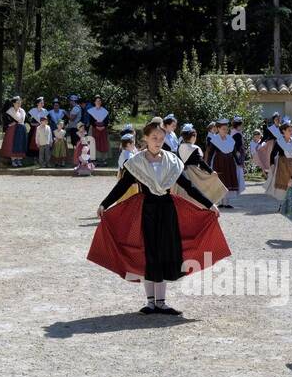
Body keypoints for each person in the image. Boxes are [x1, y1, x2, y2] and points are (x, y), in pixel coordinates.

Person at [91, 119, 225, 315]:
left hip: (167, 210)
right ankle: (150, 302)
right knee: (149, 253)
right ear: (145, 138)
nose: (158, 141)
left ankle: (161, 303)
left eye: (161, 138)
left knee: (165, 253)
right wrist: (105, 203)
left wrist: (209, 204)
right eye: (154, 138)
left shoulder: (172, 161)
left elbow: (189, 187)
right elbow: (122, 186)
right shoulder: (136, 162)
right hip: (147, 210)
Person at [175, 124, 228, 208]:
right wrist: (211, 171)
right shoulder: (193, 148)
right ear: (192, 137)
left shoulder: (180, 147)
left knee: (185, 190)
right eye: (195, 136)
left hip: (183, 171)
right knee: (198, 188)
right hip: (194, 171)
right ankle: (200, 205)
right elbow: (201, 161)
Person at [264, 121, 292, 202]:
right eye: (289, 130)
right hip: (282, 164)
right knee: (283, 184)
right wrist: (272, 164)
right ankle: (283, 203)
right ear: (283, 131)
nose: (291, 132)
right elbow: (273, 153)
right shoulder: (280, 141)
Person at [206, 118, 238, 209]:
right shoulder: (215, 139)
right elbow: (211, 153)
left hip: (229, 162)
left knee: (228, 180)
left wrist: (239, 161)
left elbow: (234, 152)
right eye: (223, 129)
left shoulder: (230, 139)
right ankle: (220, 202)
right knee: (221, 180)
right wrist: (208, 165)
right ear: (218, 129)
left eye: (226, 129)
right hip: (219, 162)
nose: (225, 130)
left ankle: (226, 202)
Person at [0, 96, 27, 167]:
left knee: (20, 144)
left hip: (21, 130)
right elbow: (5, 121)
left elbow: (24, 120)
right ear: (13, 103)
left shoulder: (22, 111)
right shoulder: (10, 111)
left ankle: (19, 159)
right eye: (17, 103)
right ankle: (13, 160)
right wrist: (10, 124)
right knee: (13, 144)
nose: (19, 104)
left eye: (20, 103)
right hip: (12, 131)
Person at [88, 96, 111, 160]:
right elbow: (91, 121)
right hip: (94, 128)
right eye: (97, 101)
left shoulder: (104, 110)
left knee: (103, 143)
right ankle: (94, 158)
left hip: (103, 129)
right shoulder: (91, 110)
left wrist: (103, 126)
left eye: (99, 101)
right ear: (94, 102)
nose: (98, 102)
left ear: (101, 102)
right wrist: (96, 127)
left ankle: (103, 158)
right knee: (94, 143)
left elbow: (107, 120)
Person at [27, 96, 49, 164]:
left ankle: (42, 158)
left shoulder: (45, 111)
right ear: (37, 103)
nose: (43, 104)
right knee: (34, 143)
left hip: (42, 129)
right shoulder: (32, 110)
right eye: (41, 103)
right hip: (34, 129)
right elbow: (27, 119)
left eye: (43, 103)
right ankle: (34, 158)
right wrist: (32, 124)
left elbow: (47, 120)